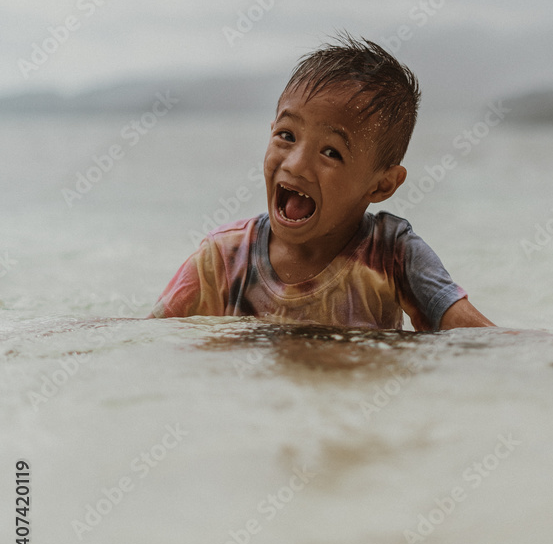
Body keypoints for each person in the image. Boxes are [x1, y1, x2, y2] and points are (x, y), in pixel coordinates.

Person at [146, 33, 495, 331]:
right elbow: (150, 338)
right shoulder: (224, 257)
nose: (296, 165)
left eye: (331, 152)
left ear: (382, 185)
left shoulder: (391, 255)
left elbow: (475, 337)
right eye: (286, 135)